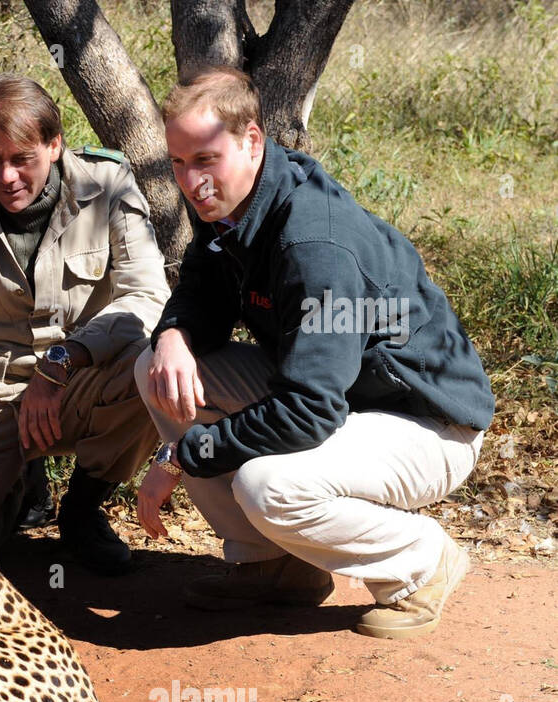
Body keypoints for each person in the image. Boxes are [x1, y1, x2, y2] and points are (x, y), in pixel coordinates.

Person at [134, 67, 495, 639]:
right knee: (157, 368)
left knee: (269, 485)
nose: (190, 181)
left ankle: (421, 562)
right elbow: (201, 292)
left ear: (253, 141)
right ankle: (272, 566)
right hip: (340, 393)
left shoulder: (314, 245)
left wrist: (182, 456)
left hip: (425, 422)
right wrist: (174, 334)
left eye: (205, 159)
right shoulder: (235, 202)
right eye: (177, 163)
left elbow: (308, 411)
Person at [0, 73, 170, 572]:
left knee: (150, 367)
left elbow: (147, 296)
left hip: (78, 380)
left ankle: (83, 508)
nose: (7, 176)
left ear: (55, 145)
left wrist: (63, 359)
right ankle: (13, 489)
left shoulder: (108, 185)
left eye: (22, 159)